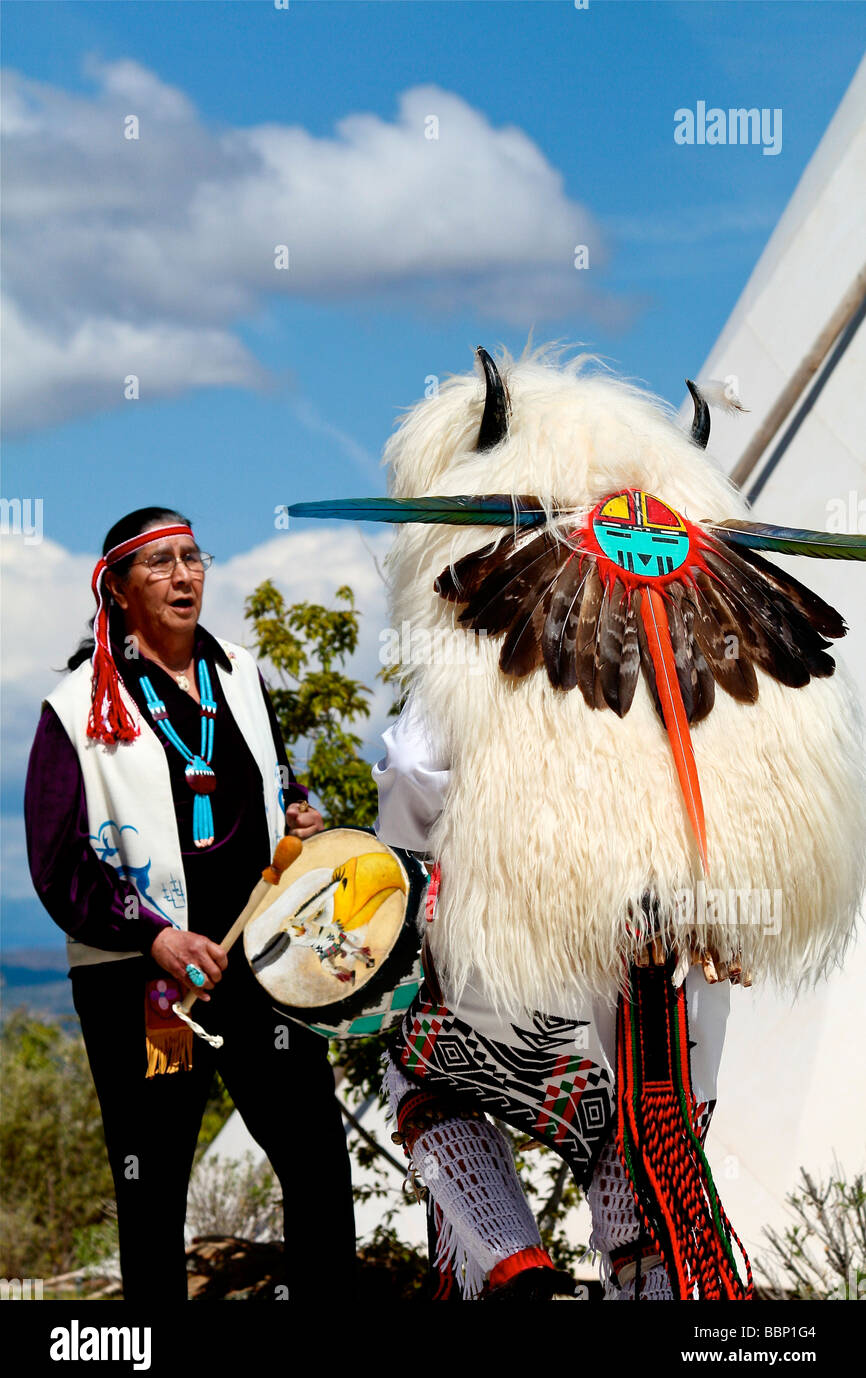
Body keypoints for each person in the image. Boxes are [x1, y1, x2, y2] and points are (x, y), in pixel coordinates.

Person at [288, 347, 866, 1299]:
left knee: (423, 1082)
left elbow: (414, 777)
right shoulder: (742, 658)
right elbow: (788, 816)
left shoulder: (490, 642)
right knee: (648, 1194)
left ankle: (511, 1274)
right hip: (661, 1013)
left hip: (508, 981)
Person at [25, 506, 356, 1302]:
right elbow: (59, 862)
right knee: (153, 1180)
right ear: (120, 589)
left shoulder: (238, 673)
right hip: (146, 986)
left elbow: (266, 780)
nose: (184, 576)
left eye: (193, 558)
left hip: (260, 962)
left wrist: (296, 812)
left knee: (315, 1152)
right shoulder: (77, 711)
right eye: (161, 564)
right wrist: (155, 937)